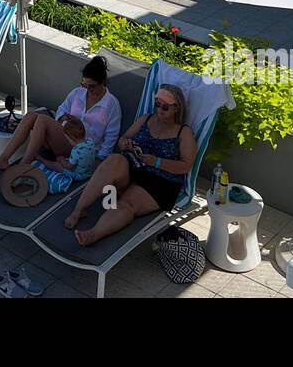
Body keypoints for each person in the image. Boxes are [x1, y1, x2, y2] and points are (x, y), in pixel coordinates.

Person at [64, 83, 196, 247]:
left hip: (160, 181)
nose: (160, 110)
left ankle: (93, 234)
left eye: (165, 107)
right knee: (113, 160)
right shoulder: (146, 118)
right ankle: (80, 209)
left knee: (127, 203)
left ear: (176, 108)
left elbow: (185, 166)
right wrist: (125, 143)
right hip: (134, 167)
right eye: (158, 104)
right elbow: (123, 139)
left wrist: (155, 161)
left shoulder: (183, 132)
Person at [0, 55, 121, 173]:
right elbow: (61, 111)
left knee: (42, 120)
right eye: (85, 84)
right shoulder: (78, 93)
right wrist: (66, 121)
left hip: (83, 151)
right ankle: (3, 159)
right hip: (65, 139)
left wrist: (99, 161)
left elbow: (111, 137)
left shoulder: (111, 105)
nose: (88, 90)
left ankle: (23, 165)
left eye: (92, 86)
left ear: (102, 82)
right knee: (31, 116)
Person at [30, 115, 96, 194]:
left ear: (72, 138)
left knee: (56, 165)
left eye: (67, 138)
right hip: (89, 172)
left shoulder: (76, 150)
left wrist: (62, 160)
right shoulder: (90, 142)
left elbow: (69, 166)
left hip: (79, 175)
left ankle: (41, 160)